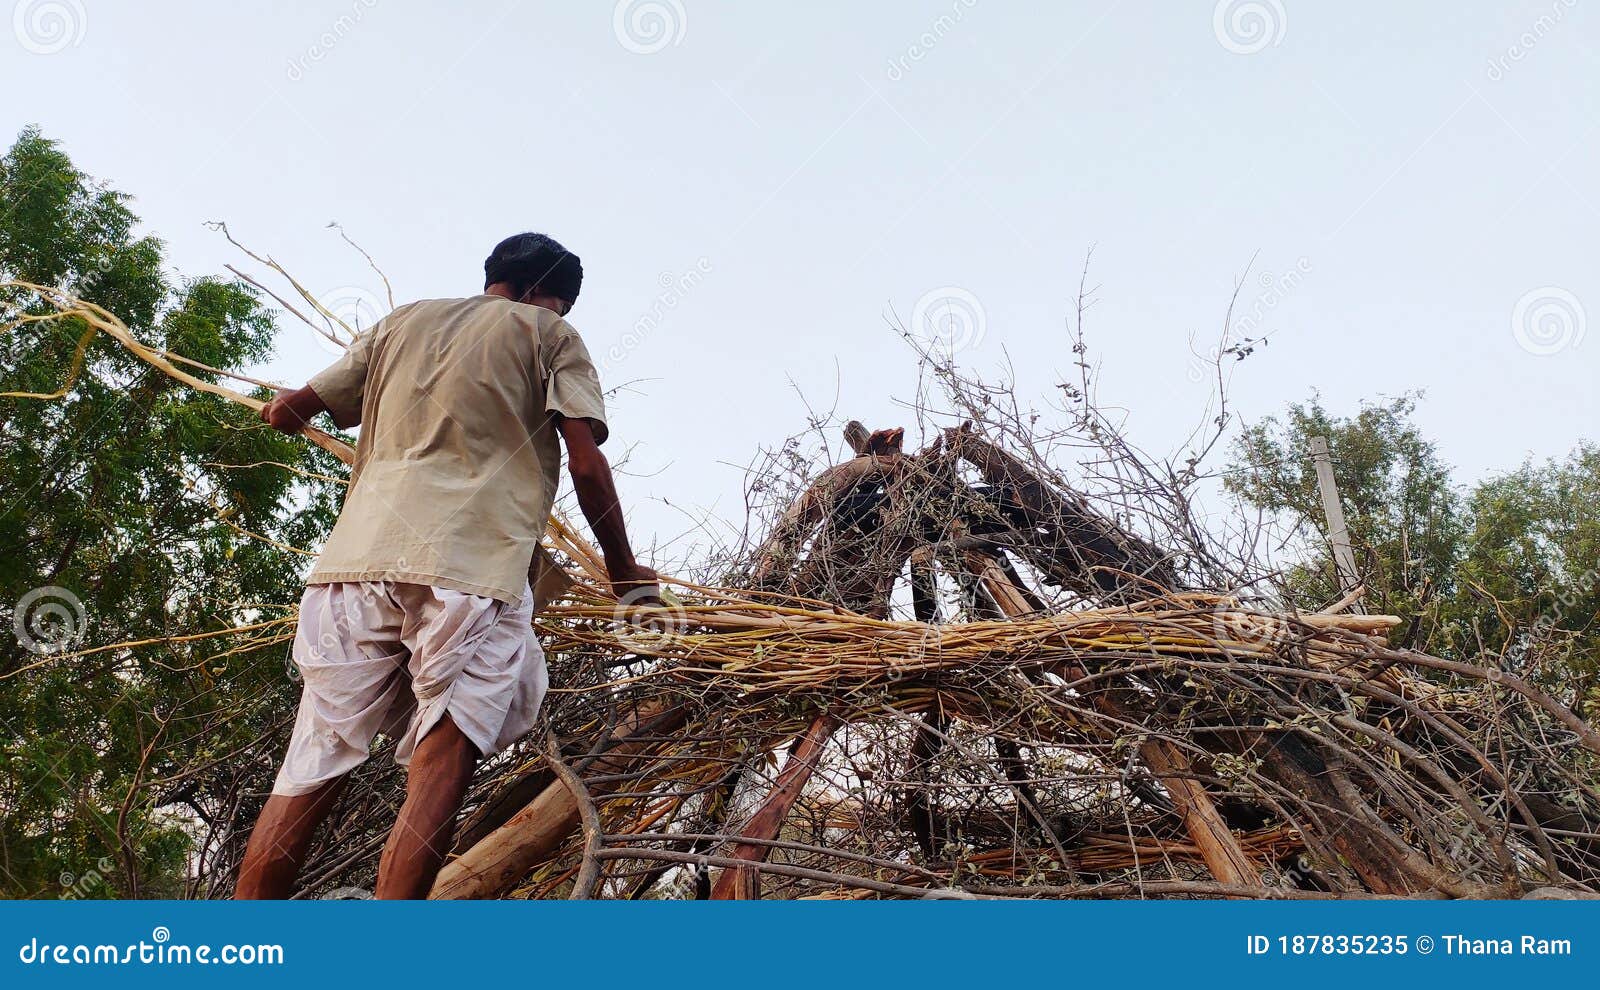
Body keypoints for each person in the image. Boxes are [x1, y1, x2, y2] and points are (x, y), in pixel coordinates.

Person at [235, 232, 656, 899]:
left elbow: (294, 406)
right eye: (560, 304)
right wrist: (626, 571)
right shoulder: (549, 335)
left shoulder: (404, 322)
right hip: (470, 568)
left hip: (354, 568)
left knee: (311, 768)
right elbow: (584, 462)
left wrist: (281, 411)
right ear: (543, 294)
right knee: (441, 763)